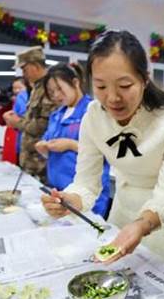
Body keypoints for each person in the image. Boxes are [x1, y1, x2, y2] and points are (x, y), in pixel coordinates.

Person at [41, 30, 164, 273]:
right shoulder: (93, 117)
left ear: (145, 80)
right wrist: (70, 201)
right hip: (125, 210)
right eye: (101, 86)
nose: (112, 98)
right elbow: (86, 181)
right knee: (117, 279)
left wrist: (143, 224)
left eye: (125, 85)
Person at [35, 63, 111, 218]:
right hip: (58, 188)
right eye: (52, 92)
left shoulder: (94, 112)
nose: (56, 95)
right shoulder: (56, 115)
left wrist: (70, 144)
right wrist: (43, 148)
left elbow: (107, 153)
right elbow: (49, 144)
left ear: (75, 83)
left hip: (85, 194)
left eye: (60, 89)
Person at [3, 46, 59, 182]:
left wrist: (17, 122)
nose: (23, 73)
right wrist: (15, 120)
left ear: (35, 66)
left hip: (41, 163)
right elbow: (33, 119)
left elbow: (44, 125)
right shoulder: (36, 88)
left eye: (24, 69)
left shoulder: (49, 88)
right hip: (30, 160)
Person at [0, 77, 27, 164]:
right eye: (14, 88)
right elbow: (1, 122)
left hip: (19, 135)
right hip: (11, 136)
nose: (17, 91)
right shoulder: (11, 102)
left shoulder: (25, 100)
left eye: (20, 88)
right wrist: (2, 106)